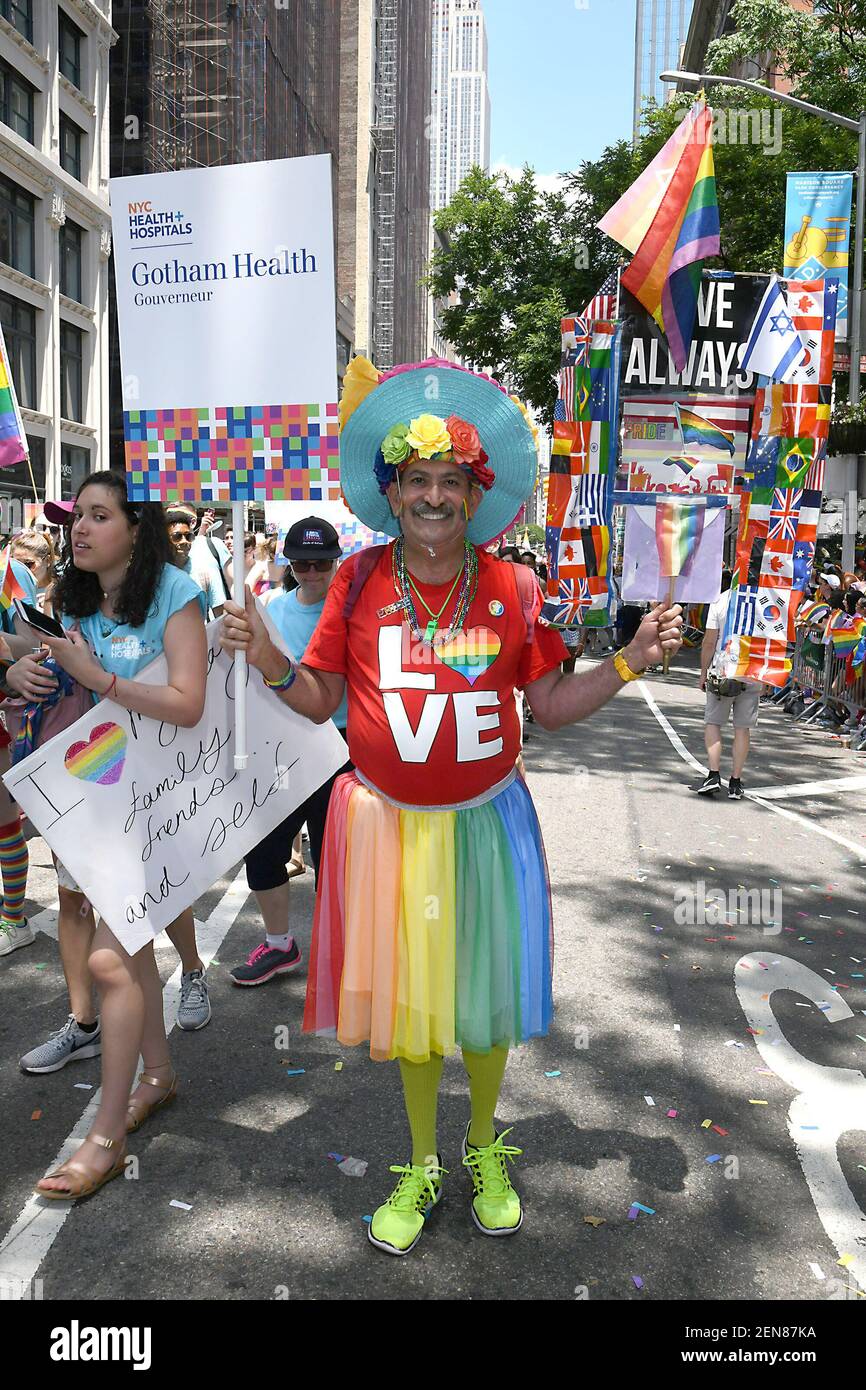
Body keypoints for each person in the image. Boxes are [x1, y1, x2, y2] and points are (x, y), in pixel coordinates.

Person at [221, 356, 683, 1256]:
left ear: (476, 496)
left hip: (486, 822)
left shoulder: (515, 587)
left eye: (451, 483)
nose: (434, 497)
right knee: (416, 1007)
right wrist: (265, 659)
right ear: (392, 492)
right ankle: (423, 1160)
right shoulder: (354, 582)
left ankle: (483, 1149)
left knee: (482, 998)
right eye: (418, 481)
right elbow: (318, 701)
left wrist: (629, 664)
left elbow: (547, 707)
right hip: (387, 827)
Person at [9, 473, 209, 1202]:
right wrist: (35, 669)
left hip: (164, 802)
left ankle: (105, 1137)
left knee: (110, 958)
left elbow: (189, 705)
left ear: (138, 527)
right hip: (96, 798)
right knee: (124, 950)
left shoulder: (177, 597)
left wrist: (100, 678)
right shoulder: (72, 602)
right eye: (78, 518)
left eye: (100, 516)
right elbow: (54, 675)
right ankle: (155, 1077)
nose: (81, 530)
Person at [229, 517, 351, 986]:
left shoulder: (355, 610)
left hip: (341, 747)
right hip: (282, 747)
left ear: (336, 561)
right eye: (302, 563)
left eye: (322, 563)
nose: (313, 572)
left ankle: (338, 952)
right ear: (289, 563)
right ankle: (280, 945)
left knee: (334, 858)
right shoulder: (272, 611)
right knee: (261, 849)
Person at [696, 571, 760, 799]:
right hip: (751, 672)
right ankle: (735, 781)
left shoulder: (720, 601)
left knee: (713, 722)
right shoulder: (763, 601)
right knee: (742, 728)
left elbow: (709, 641)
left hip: (722, 670)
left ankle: (713, 774)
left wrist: (703, 672)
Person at [166, 509, 224, 617]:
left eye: (188, 537)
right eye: (177, 537)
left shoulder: (206, 571)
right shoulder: (154, 576)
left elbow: (221, 617)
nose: (184, 542)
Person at [11, 529, 57, 610]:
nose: (22, 570)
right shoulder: (8, 588)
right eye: (17, 565)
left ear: (47, 560)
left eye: (28, 564)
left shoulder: (60, 591)